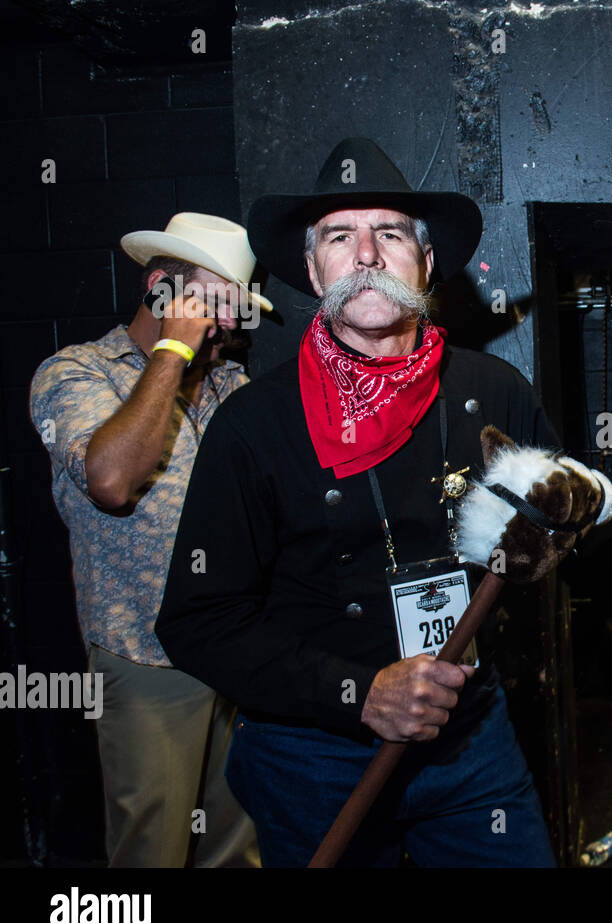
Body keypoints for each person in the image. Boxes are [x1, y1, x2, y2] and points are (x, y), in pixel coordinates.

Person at [155, 137, 556, 867]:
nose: (367, 253)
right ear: (313, 269)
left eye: (391, 233)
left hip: (472, 745)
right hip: (313, 759)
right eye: (341, 235)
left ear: (426, 264)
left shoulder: (495, 390)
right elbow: (196, 621)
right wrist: (359, 692)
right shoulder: (253, 425)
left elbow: (574, 521)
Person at [29, 212, 268, 867]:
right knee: (151, 850)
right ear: (163, 291)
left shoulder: (230, 384)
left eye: (234, 310)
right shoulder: (77, 373)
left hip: (234, 650)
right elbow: (110, 479)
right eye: (215, 305)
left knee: (236, 845)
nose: (225, 325)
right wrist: (172, 350)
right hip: (145, 657)